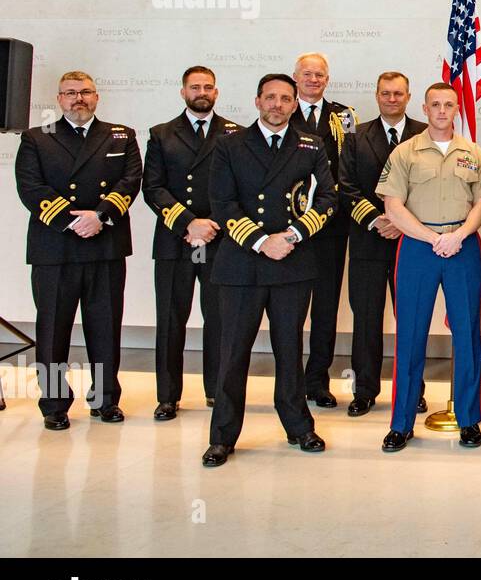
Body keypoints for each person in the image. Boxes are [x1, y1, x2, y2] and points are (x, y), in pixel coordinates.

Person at [202, 73, 337, 466]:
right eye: (270, 98)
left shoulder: (310, 145)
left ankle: (299, 426)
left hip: (292, 264)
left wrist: (291, 236)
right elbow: (223, 203)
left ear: (295, 104)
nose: (277, 105)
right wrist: (263, 241)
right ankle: (223, 436)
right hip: (242, 264)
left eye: (285, 99)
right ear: (257, 101)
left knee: (290, 349)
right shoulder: (229, 145)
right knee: (233, 353)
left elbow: (328, 198)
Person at [14, 71, 141, 429]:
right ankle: (53, 403)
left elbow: (131, 181)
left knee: (105, 327)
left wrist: (100, 216)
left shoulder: (121, 135)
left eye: (85, 92)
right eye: (70, 93)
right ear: (59, 100)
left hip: (105, 245)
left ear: (97, 97)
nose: (78, 99)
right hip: (55, 248)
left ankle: (105, 399)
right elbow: (30, 188)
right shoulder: (37, 137)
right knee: (53, 330)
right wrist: (73, 222)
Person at [374, 83, 481, 452]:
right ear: (424, 108)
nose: (442, 110)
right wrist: (430, 237)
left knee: (468, 334)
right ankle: (401, 423)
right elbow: (393, 207)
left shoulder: (473, 153)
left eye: (449, 105)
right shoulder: (405, 152)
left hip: (462, 245)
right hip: (418, 248)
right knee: (409, 334)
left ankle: (468, 419)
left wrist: (458, 236)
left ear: (458, 109)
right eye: (435, 104)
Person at [142, 66, 240, 420]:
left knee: (219, 318)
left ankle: (216, 391)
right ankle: (168, 395)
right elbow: (152, 188)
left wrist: (210, 225)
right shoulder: (161, 134)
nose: (202, 92)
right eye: (195, 86)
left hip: (219, 239)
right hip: (176, 239)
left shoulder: (234, 134)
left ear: (217, 92)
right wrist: (189, 223)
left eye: (208, 87)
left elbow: (237, 187)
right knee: (170, 319)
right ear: (183, 92)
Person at [338, 72, 427, 417]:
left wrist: (403, 223)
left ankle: (412, 389)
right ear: (376, 96)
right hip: (368, 241)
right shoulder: (356, 136)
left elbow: (432, 189)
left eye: (398, 94)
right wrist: (378, 220)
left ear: (408, 97)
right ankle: (364, 390)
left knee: (411, 319)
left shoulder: (425, 134)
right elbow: (346, 186)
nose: (392, 99)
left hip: (413, 243)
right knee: (367, 319)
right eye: (385, 94)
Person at [290, 51, 358, 408]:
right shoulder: (283, 107)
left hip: (331, 225)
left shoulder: (343, 116)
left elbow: (349, 163)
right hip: (289, 227)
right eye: (307, 74)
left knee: (326, 307)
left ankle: (317, 379)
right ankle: (289, 380)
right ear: (296, 77)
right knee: (291, 306)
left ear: (327, 80)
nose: (313, 79)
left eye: (319, 75)